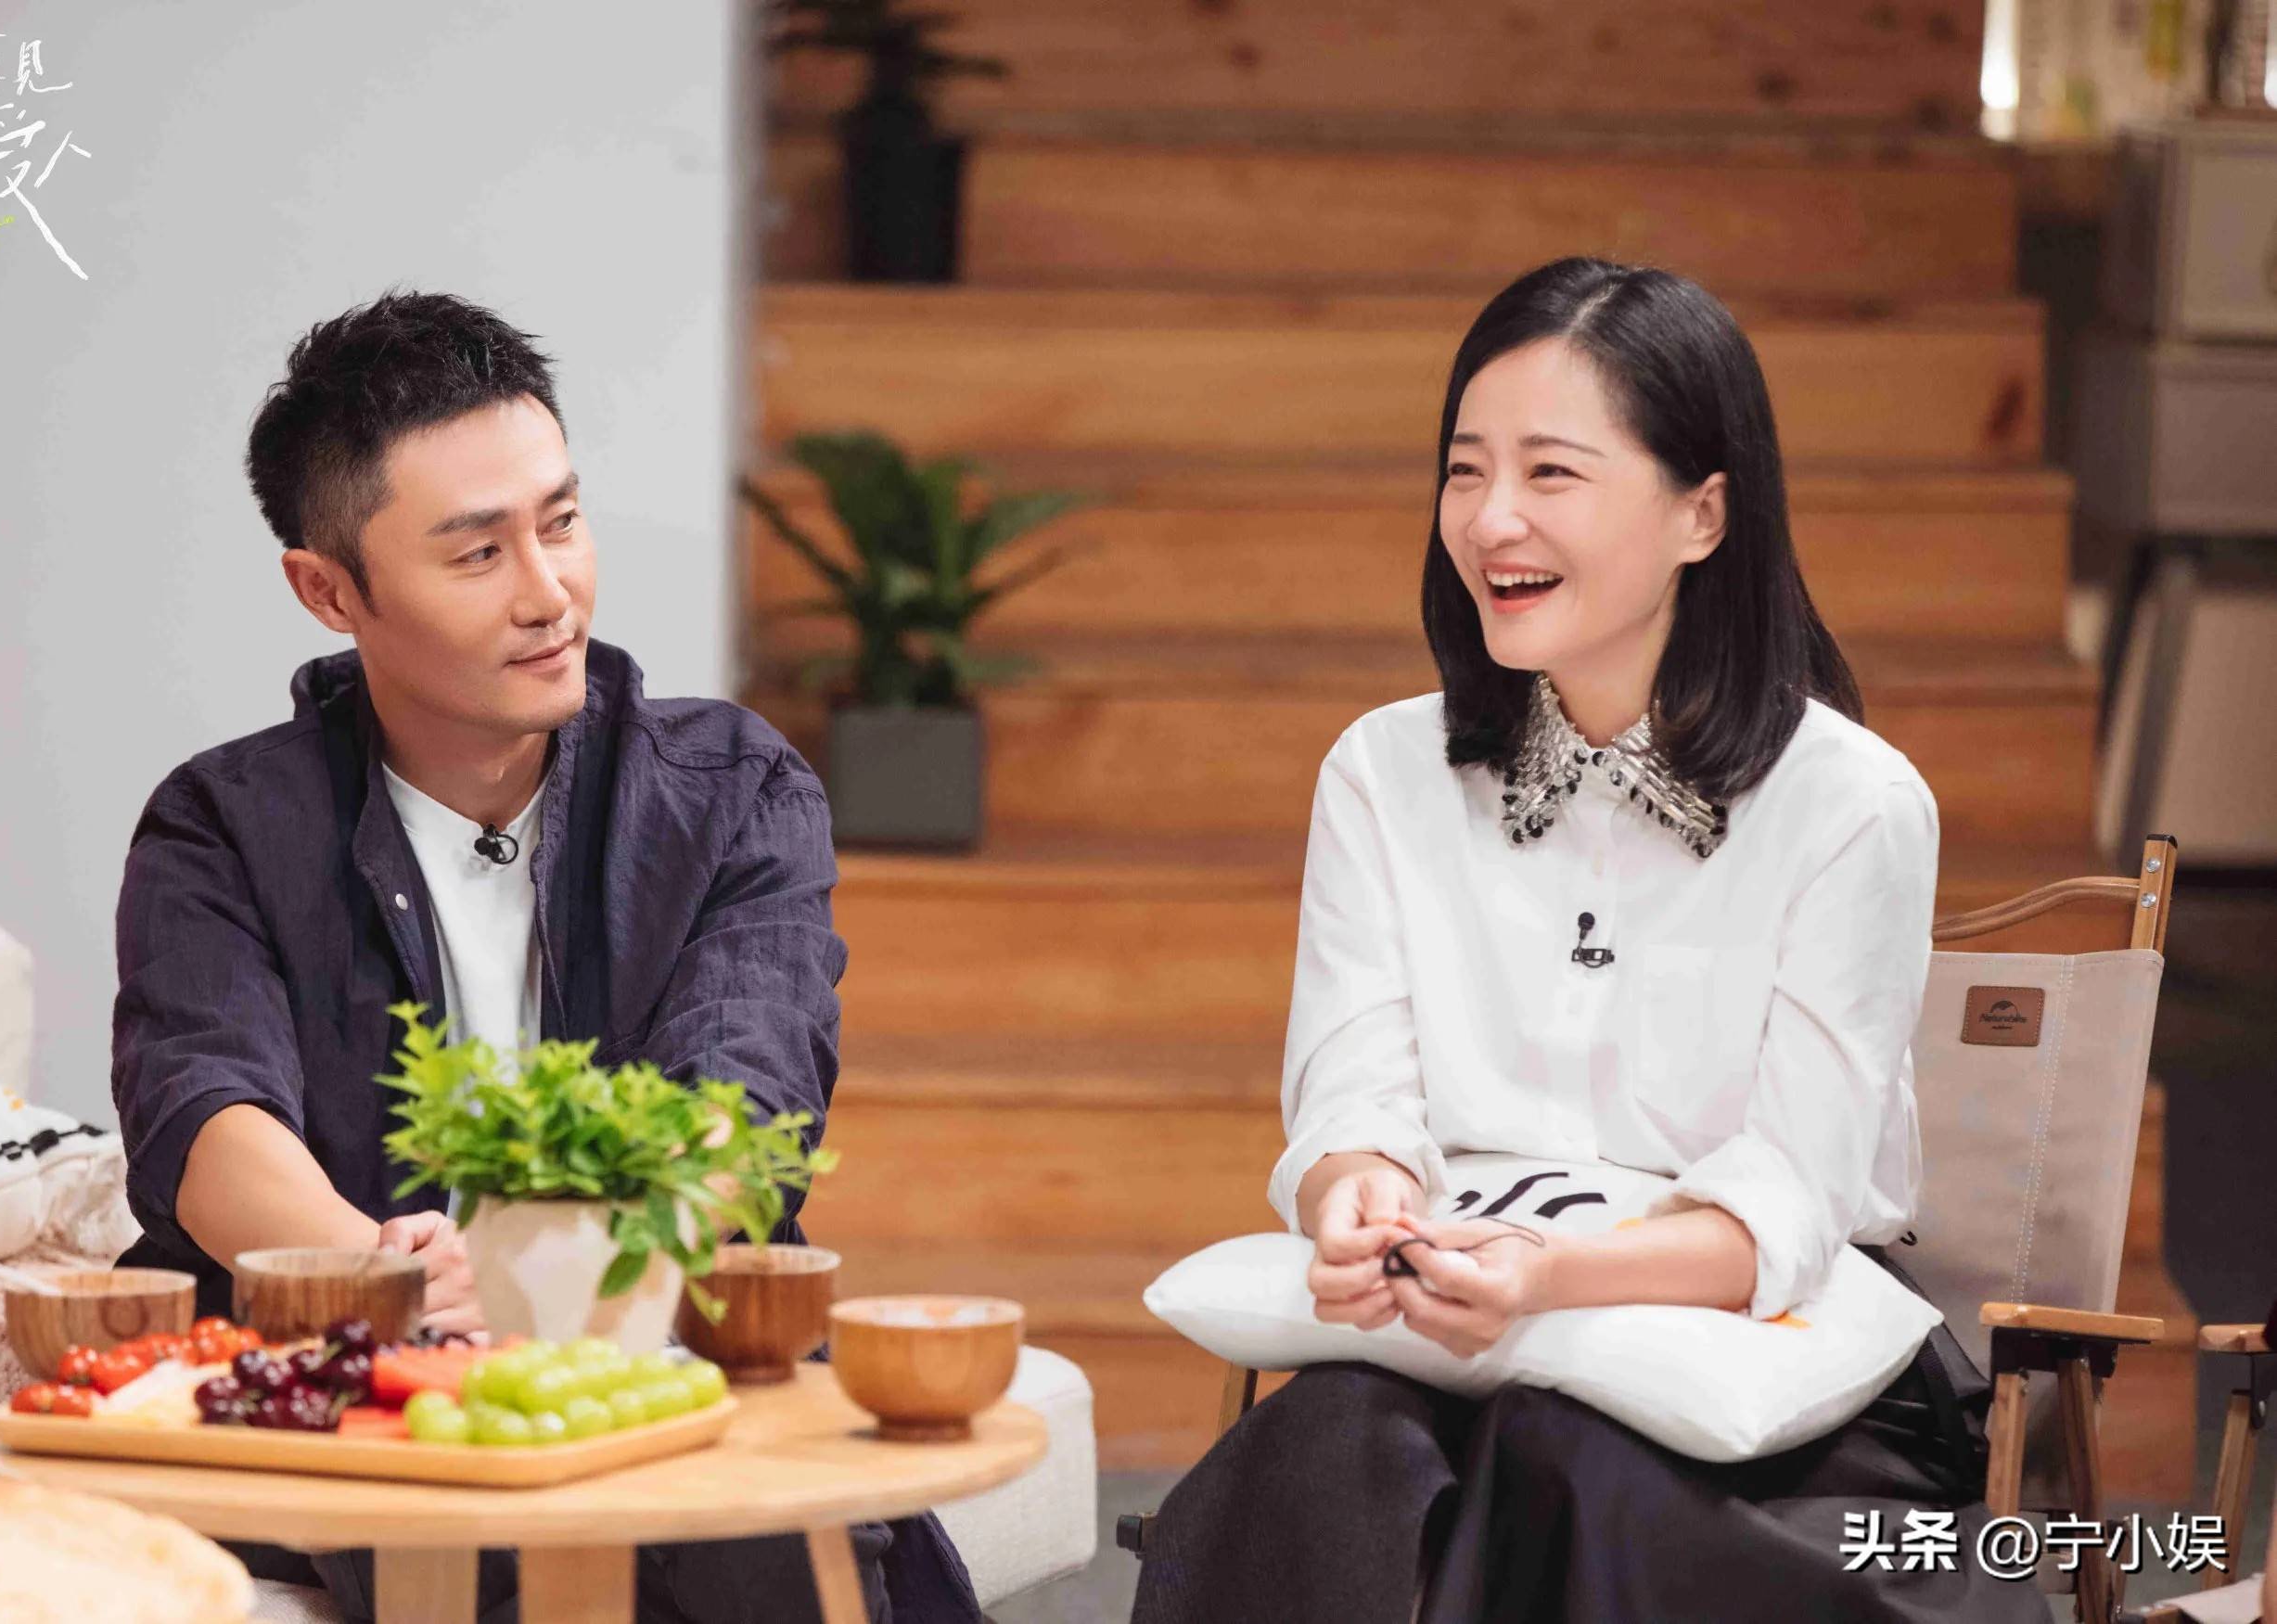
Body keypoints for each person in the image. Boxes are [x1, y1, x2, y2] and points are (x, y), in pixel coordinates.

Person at [1131, 258, 2051, 1623]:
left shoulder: (1852, 803)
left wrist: (1552, 1283)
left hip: (1762, 1369)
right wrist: (1360, 1202)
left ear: (1701, 512)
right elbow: (1353, 1092)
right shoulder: (1382, 771)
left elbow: (1787, 1203)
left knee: (1561, 1456)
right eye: (1465, 470)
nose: (1490, 518)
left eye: (1550, 473)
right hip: (1449, 1334)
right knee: (1327, 1454)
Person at [110, 291, 977, 1622]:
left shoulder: (730, 790)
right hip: (361, 1380)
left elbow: (748, 1098)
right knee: (455, 1520)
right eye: (477, 554)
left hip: (666, 1347)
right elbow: (203, 1116)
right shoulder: (223, 824)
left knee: (763, 1526)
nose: (548, 592)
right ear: (329, 590)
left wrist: (551, 1282)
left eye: (561, 523)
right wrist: (393, 1284)